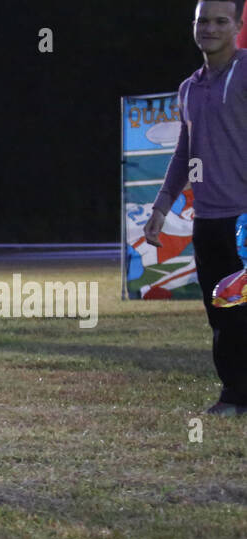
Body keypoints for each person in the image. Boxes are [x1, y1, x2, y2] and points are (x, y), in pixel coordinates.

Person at [145, 0, 247, 415]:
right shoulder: (189, 88)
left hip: (244, 218)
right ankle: (235, 396)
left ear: (238, 26)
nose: (210, 28)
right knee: (222, 314)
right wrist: (161, 206)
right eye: (202, 20)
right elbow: (185, 151)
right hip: (207, 220)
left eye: (221, 21)